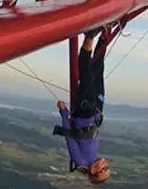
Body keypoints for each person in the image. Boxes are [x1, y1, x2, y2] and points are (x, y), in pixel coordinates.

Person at [54, 28, 110, 184]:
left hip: (83, 113)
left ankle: (89, 38)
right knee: (97, 73)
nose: (105, 165)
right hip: (92, 114)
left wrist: (63, 112)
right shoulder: (91, 157)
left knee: (87, 77)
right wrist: (98, 116)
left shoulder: (80, 160)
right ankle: (104, 36)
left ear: (93, 171)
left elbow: (69, 136)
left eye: (103, 169)